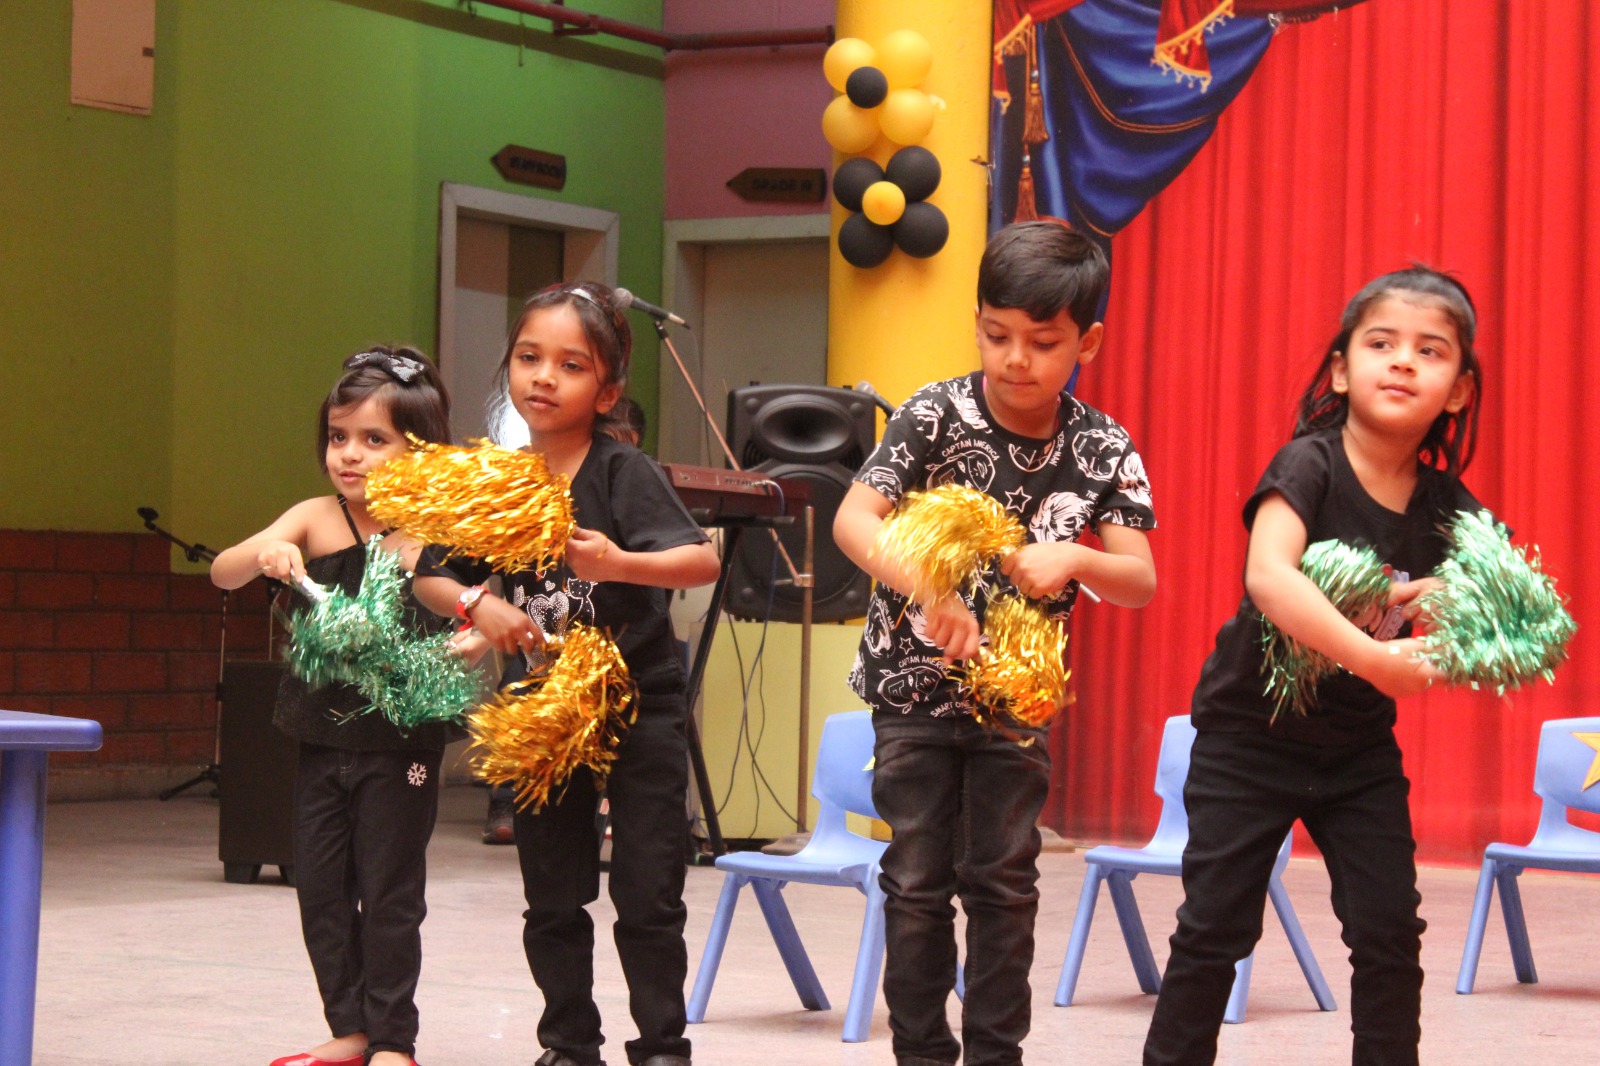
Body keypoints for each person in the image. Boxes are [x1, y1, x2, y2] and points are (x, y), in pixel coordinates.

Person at [833, 220, 1159, 1066]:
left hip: (1016, 701)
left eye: (1042, 342)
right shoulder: (934, 414)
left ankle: (994, 1056)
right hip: (912, 693)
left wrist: (1080, 554)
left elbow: (1140, 580)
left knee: (1005, 886)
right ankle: (920, 1053)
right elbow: (853, 520)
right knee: (914, 884)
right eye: (996, 334)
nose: (1016, 358)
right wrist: (932, 590)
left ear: (1086, 340)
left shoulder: (1101, 445)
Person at [1142, 267, 1486, 1065]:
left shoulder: (1449, 507)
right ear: (1340, 369)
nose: (1402, 362)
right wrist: (1374, 654)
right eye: (1381, 344)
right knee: (1214, 934)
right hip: (1246, 741)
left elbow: (1512, 608)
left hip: (1357, 754)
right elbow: (1270, 576)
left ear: (1460, 389)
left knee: (1390, 935)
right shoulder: (1309, 463)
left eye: (1429, 351)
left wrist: (1446, 605)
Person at [414, 282, 720, 1066]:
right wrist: (478, 606)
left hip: (637, 700)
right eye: (529, 358)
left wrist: (617, 561)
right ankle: (568, 1044)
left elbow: (701, 558)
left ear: (607, 389)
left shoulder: (624, 473)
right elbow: (431, 576)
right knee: (551, 891)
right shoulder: (500, 482)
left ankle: (660, 1046)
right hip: (541, 710)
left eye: (570, 365)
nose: (544, 377)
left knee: (648, 891)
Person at [211, 347, 471, 1066]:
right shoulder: (315, 518)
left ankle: (393, 1040)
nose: (349, 455)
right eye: (337, 436)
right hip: (321, 735)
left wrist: (470, 645)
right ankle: (349, 1027)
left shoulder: (440, 532)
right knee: (321, 888)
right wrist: (269, 550)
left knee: (389, 890)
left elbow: (484, 618)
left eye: (373, 439)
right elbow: (222, 572)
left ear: (420, 449)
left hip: (402, 740)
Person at [482, 391, 648, 845]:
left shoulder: (631, 486)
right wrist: (477, 607)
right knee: (515, 681)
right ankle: (505, 796)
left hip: (612, 662)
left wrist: (616, 564)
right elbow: (453, 572)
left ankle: (611, 802)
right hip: (539, 650)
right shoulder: (516, 482)